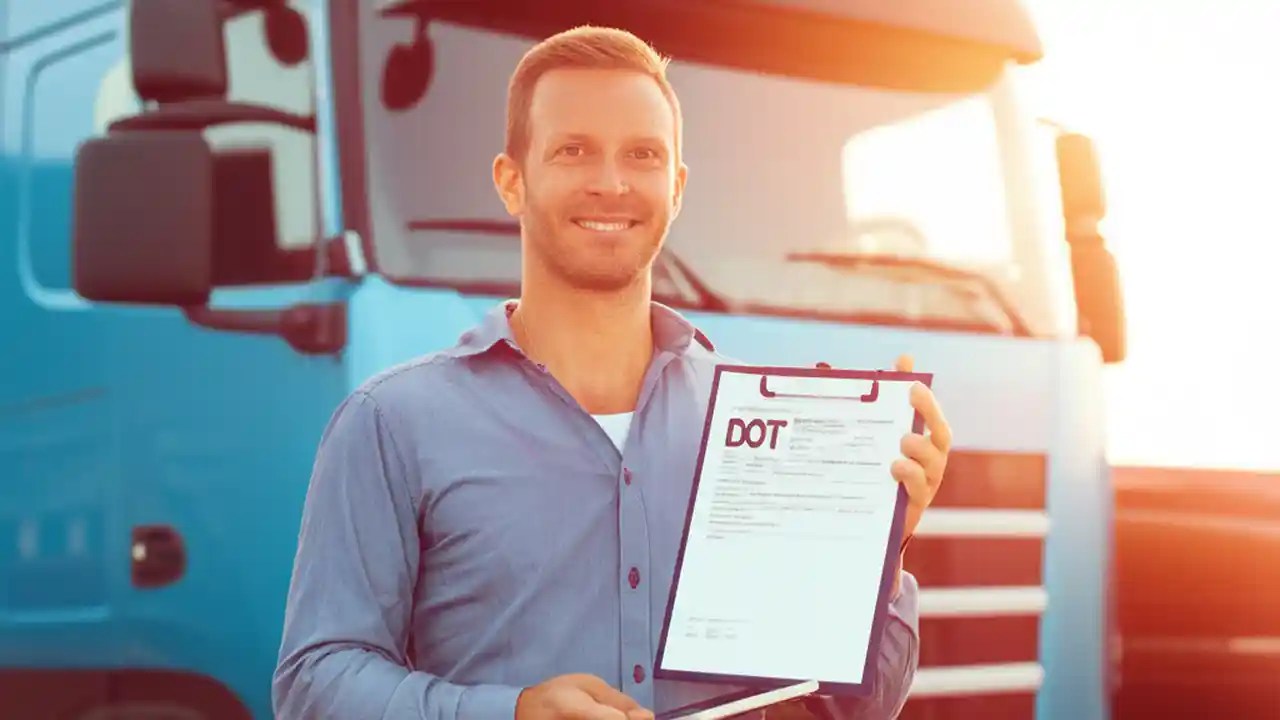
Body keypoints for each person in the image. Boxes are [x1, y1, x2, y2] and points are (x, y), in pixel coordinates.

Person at [272, 24, 952, 720]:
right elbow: (313, 686)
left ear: (677, 187)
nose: (611, 182)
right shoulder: (391, 424)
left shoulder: (757, 425)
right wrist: (509, 714)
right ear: (512, 182)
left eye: (643, 155)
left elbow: (848, 712)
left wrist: (882, 544)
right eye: (573, 151)